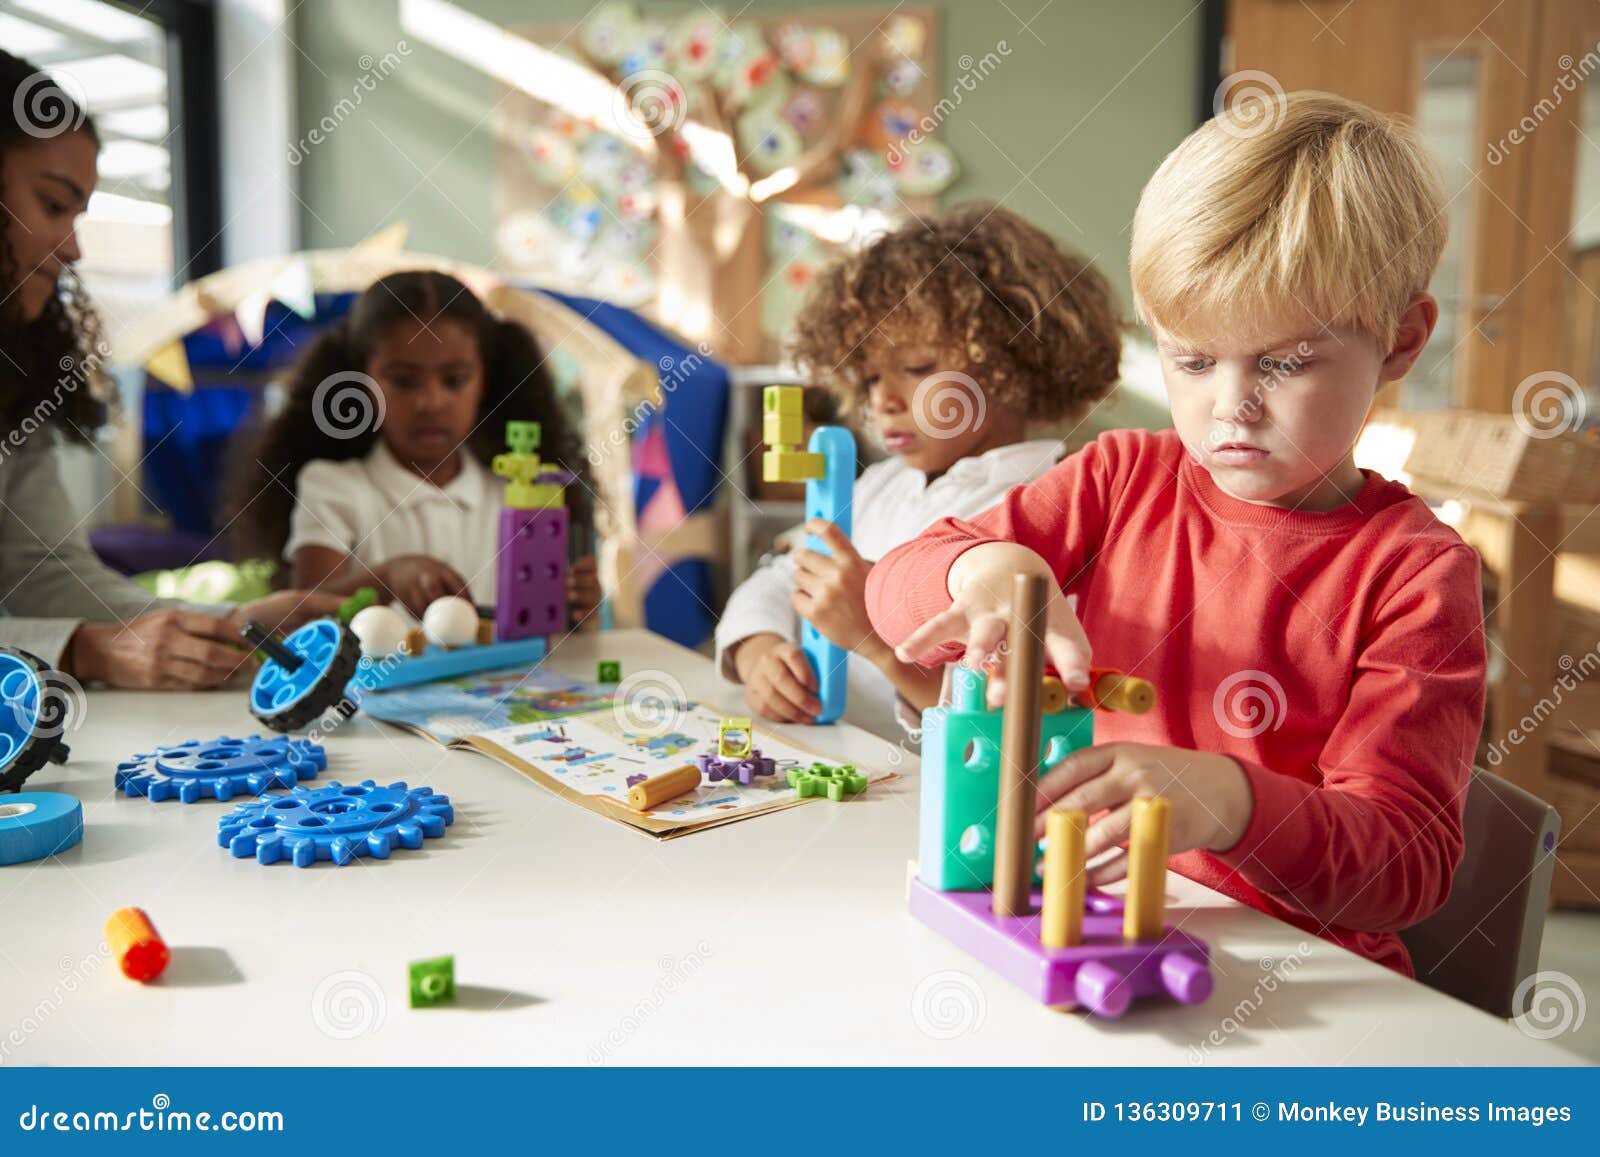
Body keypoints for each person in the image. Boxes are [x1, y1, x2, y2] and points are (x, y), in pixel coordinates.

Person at [869, 93, 1484, 976]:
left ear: (1401, 340)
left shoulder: (1417, 575)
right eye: (1192, 360)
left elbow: (1404, 865)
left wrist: (1227, 799)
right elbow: (896, 584)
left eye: (1284, 362)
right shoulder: (1120, 478)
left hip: (1296, 975)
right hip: (1093, 926)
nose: (1231, 405)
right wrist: (978, 568)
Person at [716, 205, 1123, 738]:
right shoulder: (878, 485)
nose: (884, 400)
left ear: (1011, 362)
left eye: (916, 369)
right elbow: (777, 578)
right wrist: (759, 652)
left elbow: (1016, 716)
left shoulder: (1053, 505)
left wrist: (874, 640)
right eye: (869, 378)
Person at [0, 49, 337, 688]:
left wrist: (232, 624)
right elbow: (77, 630)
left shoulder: (15, 374)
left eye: (78, 215)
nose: (73, 248)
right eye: (52, 205)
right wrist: (82, 653)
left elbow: (46, 573)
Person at [229, 270, 601, 623]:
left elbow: (550, 642)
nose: (431, 402)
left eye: (454, 380)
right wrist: (388, 578)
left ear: (486, 380)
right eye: (404, 381)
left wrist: (577, 610)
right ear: (360, 382)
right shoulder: (333, 487)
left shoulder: (517, 495)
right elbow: (303, 617)